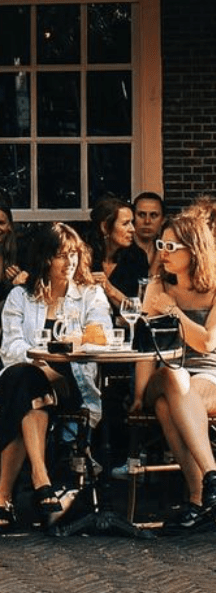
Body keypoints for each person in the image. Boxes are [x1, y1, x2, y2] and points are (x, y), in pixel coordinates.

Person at [0, 222, 112, 533]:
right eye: (61, 256)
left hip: (71, 383)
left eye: (74, 255)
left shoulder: (90, 295)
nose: (70, 263)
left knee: (21, 385)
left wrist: (64, 353)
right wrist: (45, 368)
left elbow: (101, 336)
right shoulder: (20, 298)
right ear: (44, 259)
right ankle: (41, 479)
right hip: (30, 380)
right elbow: (10, 348)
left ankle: (3, 495)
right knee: (25, 382)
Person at [132, 205, 216, 534]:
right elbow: (144, 345)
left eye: (171, 247)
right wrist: (139, 395)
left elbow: (208, 344)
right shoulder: (157, 287)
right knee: (172, 375)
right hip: (164, 372)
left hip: (208, 375)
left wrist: (174, 312)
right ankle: (212, 475)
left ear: (193, 250)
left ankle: (198, 502)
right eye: (161, 246)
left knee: (172, 405)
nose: (163, 253)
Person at [86, 195, 147, 311]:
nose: (132, 229)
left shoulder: (137, 257)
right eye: (125, 224)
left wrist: (109, 289)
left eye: (132, 222)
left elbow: (139, 309)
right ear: (105, 227)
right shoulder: (84, 256)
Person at [132, 190, 166, 271]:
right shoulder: (122, 251)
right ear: (133, 218)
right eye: (142, 215)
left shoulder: (167, 251)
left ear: (163, 220)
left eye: (153, 215)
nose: (147, 221)